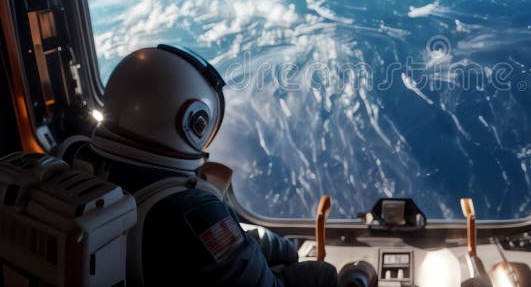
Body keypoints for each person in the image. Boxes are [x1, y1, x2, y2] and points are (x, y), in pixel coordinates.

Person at [57, 44, 337, 287]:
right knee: (326, 274)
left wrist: (285, 249)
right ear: (193, 122)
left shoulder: (73, 157)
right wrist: (328, 273)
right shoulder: (191, 210)